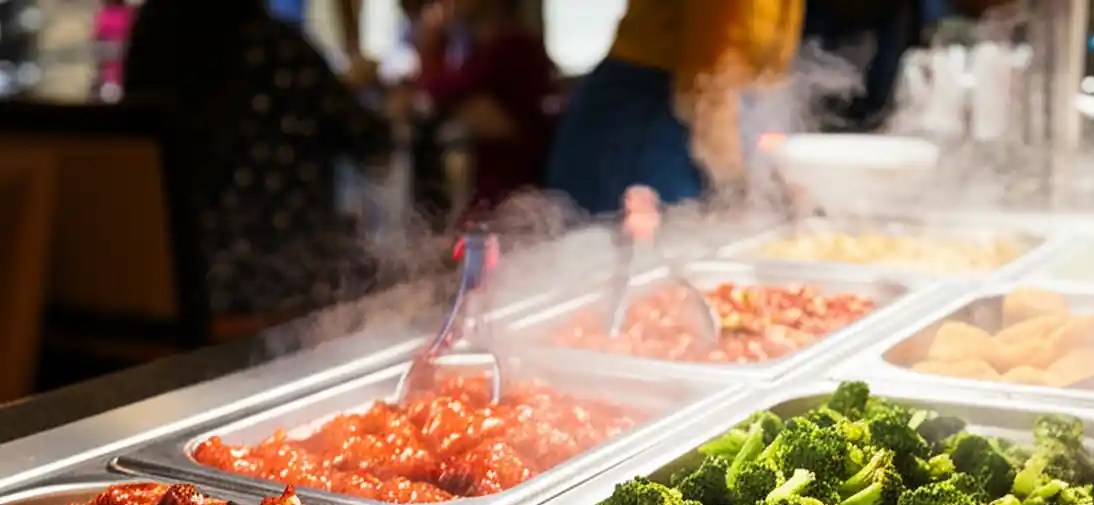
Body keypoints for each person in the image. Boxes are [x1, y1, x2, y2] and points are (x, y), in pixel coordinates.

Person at [125, 0, 394, 322]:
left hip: (170, 293)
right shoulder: (277, 49)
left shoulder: (150, 44)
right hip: (285, 289)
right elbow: (372, 143)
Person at [545, 1, 805, 215]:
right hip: (651, 113)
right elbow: (708, 68)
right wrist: (738, 180)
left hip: (717, 106)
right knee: (636, 260)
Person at [408, 0, 557, 215]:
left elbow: (436, 93)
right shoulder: (480, 50)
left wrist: (429, 49)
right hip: (490, 196)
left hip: (513, 201)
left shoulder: (513, 48)